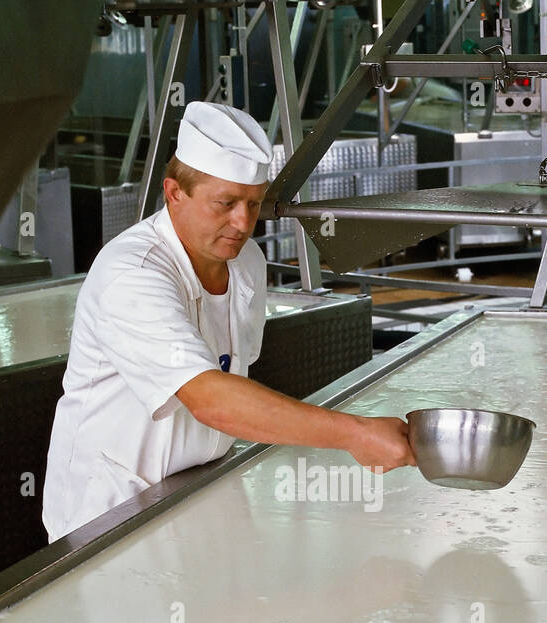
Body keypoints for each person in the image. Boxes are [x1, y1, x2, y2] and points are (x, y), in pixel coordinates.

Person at [41, 101, 416, 542]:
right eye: (225, 203)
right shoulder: (133, 271)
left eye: (253, 204)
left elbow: (232, 376)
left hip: (199, 491)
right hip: (114, 506)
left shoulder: (246, 262)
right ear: (174, 193)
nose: (242, 223)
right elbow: (210, 398)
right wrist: (354, 433)